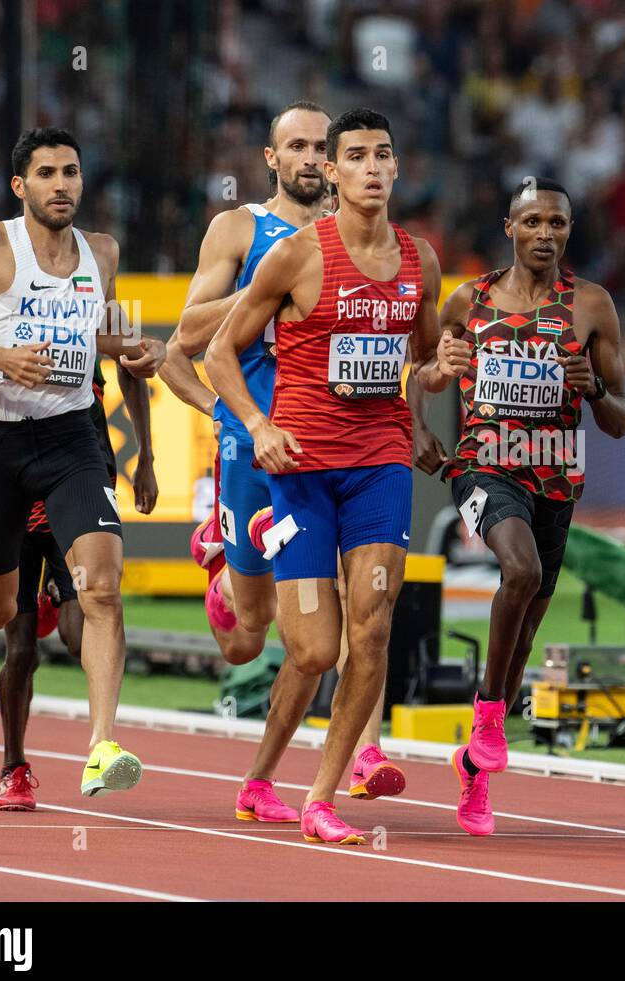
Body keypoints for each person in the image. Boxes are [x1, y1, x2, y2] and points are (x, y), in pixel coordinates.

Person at [159, 101, 405, 821]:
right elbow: (187, 334)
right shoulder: (240, 229)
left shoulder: (358, 236)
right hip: (251, 443)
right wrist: (273, 289)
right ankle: (224, 573)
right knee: (248, 638)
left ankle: (364, 750)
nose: (307, 156)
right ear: (272, 159)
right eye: (293, 145)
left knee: (365, 601)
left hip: (327, 449)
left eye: (318, 145)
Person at [206, 108, 444, 844]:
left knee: (370, 632)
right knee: (311, 648)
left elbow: (424, 363)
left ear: (396, 169)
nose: (373, 168)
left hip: (379, 467)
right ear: (333, 174)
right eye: (357, 157)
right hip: (303, 473)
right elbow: (217, 352)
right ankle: (258, 778)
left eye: (384, 155)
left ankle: (321, 795)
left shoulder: (421, 261)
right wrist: (259, 424)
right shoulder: (296, 256)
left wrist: (440, 382)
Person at [0, 127, 166, 796]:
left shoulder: (101, 252)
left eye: (72, 172)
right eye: (47, 173)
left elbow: (105, 340)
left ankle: (101, 744)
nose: (62, 185)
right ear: (21, 186)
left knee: (102, 586)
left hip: (71, 441)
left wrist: (132, 373)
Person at [412, 177, 625, 836]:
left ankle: (474, 767)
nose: (546, 234)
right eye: (533, 221)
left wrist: (595, 390)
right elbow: (421, 368)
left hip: (557, 483)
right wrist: (421, 422)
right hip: (484, 466)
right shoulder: (468, 299)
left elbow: (622, 419)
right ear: (509, 227)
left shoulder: (591, 305)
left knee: (525, 632)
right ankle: (487, 718)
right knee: (521, 570)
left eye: (558, 224)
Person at [0, 337, 157, 809]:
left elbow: (135, 370)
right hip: (13, 511)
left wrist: (146, 457)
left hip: (70, 500)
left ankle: (101, 744)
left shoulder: (88, 332)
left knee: (81, 631)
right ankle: (13, 767)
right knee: (19, 648)